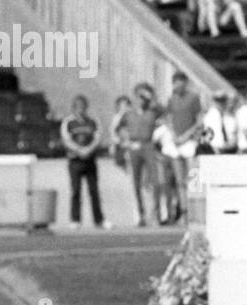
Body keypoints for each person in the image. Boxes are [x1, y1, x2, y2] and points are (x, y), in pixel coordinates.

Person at [115, 82, 162, 226]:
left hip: (148, 145)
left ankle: (156, 214)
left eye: (144, 97)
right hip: (134, 146)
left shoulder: (153, 111)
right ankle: (140, 214)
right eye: (139, 96)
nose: (141, 100)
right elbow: (117, 129)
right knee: (135, 182)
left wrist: (151, 97)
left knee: (155, 181)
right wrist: (126, 142)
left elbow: (164, 112)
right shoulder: (128, 114)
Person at [60, 95, 109, 229]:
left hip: (90, 160)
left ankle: (99, 220)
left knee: (94, 190)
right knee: (76, 190)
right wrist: (79, 150)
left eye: (83, 107)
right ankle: (75, 219)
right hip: (75, 161)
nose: (81, 110)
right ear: (74, 108)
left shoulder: (92, 121)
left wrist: (88, 149)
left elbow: (98, 137)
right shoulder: (68, 122)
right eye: (78, 107)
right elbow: (66, 139)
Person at [164, 71, 202, 224]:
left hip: (189, 141)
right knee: (180, 181)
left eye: (180, 81)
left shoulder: (193, 98)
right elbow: (168, 118)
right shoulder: (171, 99)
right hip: (176, 142)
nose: (177, 84)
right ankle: (184, 213)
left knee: (193, 178)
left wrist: (186, 135)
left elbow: (199, 121)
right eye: (175, 81)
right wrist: (173, 134)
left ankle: (196, 212)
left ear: (185, 83)